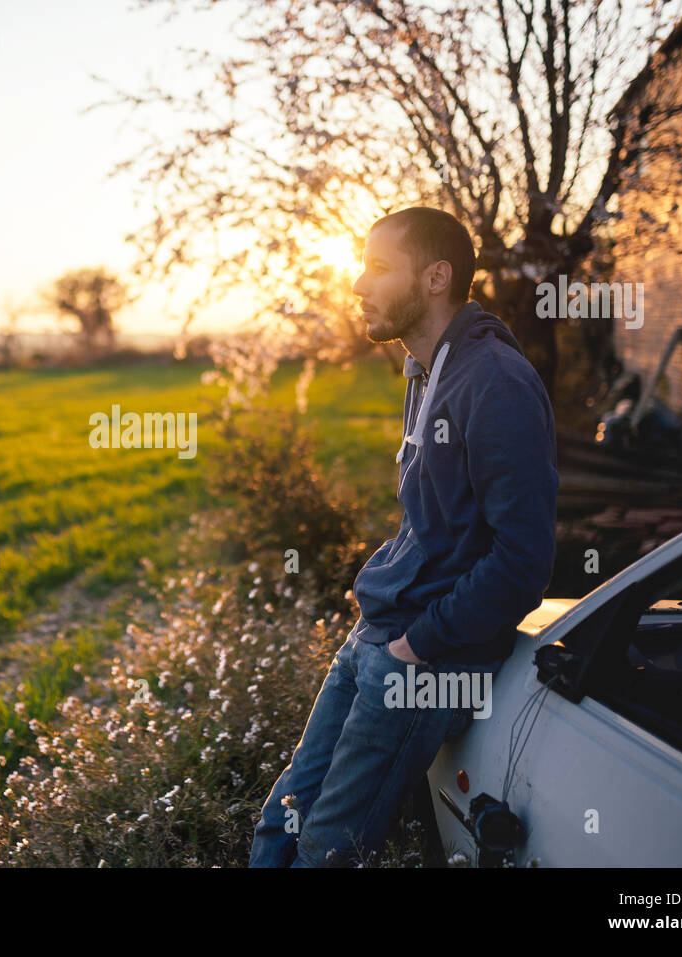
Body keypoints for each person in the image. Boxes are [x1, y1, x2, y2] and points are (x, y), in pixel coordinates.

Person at [248, 206, 559, 867]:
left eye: (378, 268)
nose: (357, 284)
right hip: (377, 631)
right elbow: (434, 524)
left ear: (436, 278)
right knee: (283, 817)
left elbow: (524, 560)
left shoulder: (496, 383)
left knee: (329, 845)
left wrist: (421, 642)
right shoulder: (425, 370)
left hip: (423, 660)